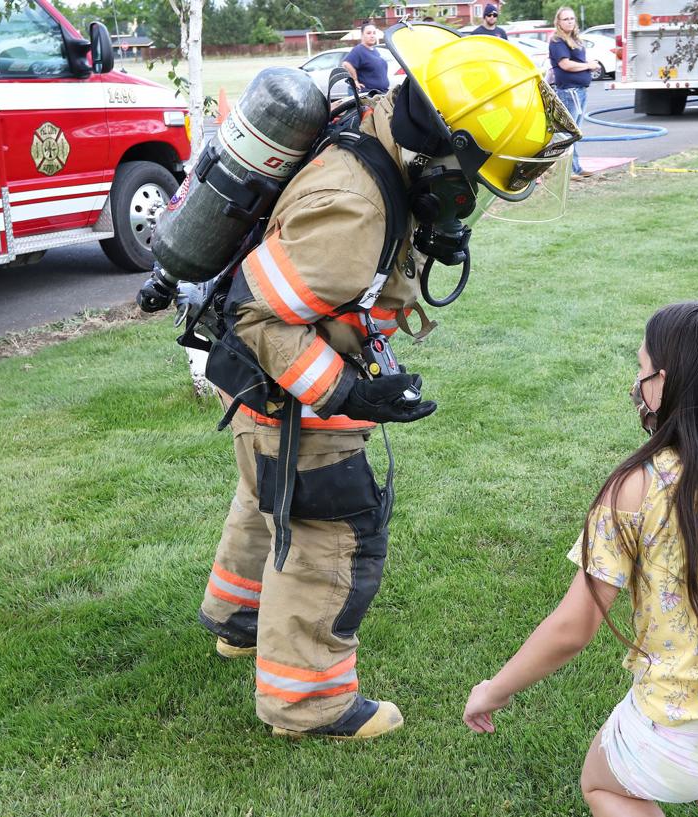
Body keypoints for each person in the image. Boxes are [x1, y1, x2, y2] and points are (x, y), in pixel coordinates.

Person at [194, 23, 581, 741]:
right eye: (474, 181)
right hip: (282, 385)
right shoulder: (355, 205)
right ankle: (307, 702)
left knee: (267, 496)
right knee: (330, 526)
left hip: (257, 391)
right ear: (443, 152)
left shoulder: (383, 133)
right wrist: (345, 392)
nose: (470, 201)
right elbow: (257, 312)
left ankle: (237, 621)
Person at [463, 302, 698, 816]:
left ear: (667, 383)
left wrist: (494, 689)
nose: (638, 383)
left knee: (603, 785)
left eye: (643, 371)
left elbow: (573, 628)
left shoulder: (636, 489)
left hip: (680, 742)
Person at [548, 6, 599, 181]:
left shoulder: (574, 39)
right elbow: (565, 65)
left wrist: (589, 64)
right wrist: (588, 66)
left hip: (580, 91)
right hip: (569, 92)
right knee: (568, 133)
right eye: (566, 19)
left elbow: (575, 62)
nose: (570, 21)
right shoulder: (557, 41)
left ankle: (575, 168)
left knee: (574, 132)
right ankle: (566, 170)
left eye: (572, 18)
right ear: (559, 22)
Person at [342, 23, 389, 94]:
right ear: (362, 35)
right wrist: (355, 81)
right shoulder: (359, 50)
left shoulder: (375, 50)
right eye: (368, 33)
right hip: (370, 95)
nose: (372, 36)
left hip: (381, 93)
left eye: (374, 33)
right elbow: (346, 64)